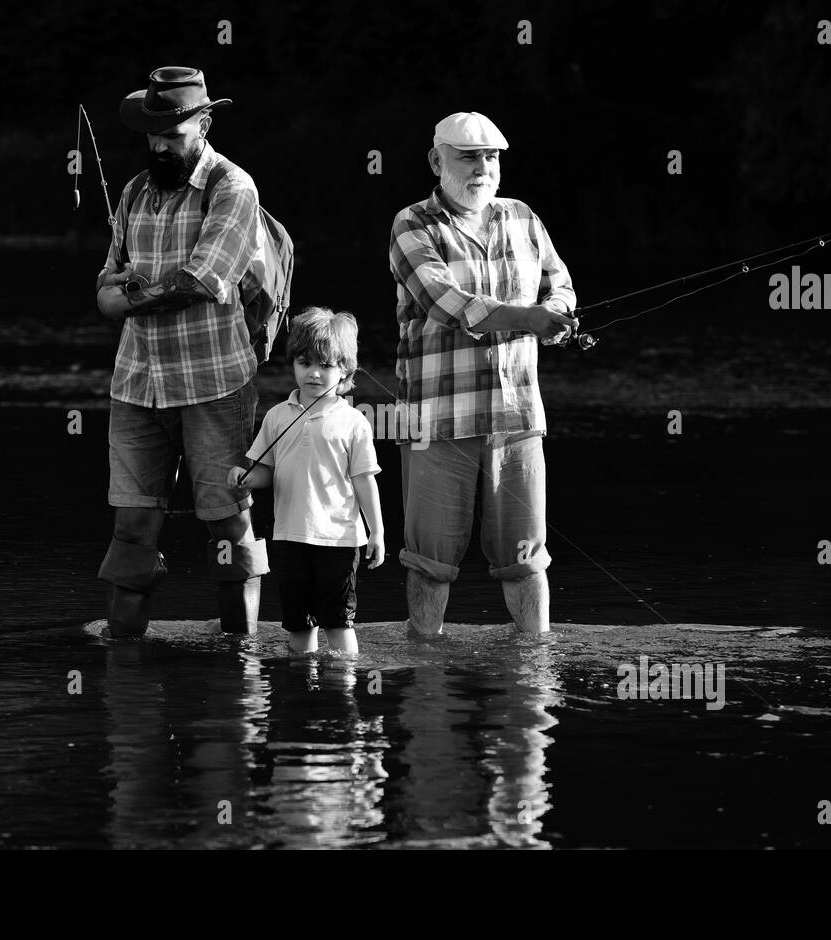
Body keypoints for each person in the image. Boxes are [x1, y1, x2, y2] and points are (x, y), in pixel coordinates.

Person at [95, 66, 268, 637]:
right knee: (132, 525)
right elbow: (105, 282)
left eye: (174, 133)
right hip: (136, 383)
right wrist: (112, 295)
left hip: (214, 384)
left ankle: (241, 657)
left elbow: (204, 280)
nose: (161, 145)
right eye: (153, 134)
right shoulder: (134, 191)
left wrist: (126, 299)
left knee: (226, 521)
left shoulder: (233, 187)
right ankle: (123, 652)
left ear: (206, 121)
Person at [388, 111, 577, 637]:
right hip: (439, 423)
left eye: (491, 157)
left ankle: (533, 667)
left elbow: (558, 282)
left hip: (517, 417)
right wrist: (530, 320)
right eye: (469, 156)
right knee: (430, 563)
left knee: (527, 559)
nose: (483, 168)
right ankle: (427, 679)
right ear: (436, 160)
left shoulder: (523, 216)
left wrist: (557, 314)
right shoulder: (411, 224)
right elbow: (448, 304)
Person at [228, 307, 385, 654]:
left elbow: (364, 480)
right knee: (298, 625)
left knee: (338, 623)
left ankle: (344, 696)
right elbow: (267, 470)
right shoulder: (276, 415)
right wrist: (246, 478)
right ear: (293, 364)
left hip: (340, 540)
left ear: (345, 369)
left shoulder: (353, 421)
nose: (314, 373)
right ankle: (302, 693)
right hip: (289, 537)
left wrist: (378, 532)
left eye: (326, 366)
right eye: (304, 363)